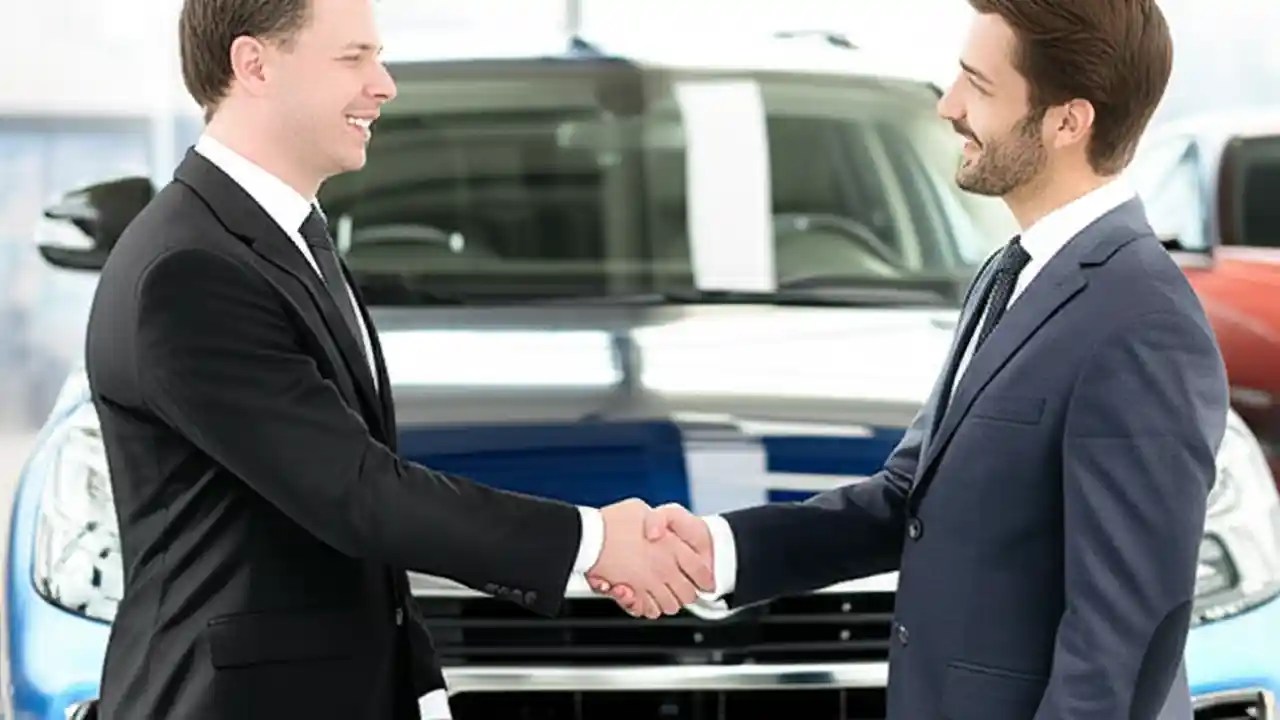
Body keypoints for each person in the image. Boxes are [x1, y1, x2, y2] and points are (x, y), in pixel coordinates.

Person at [596, 1, 1227, 718]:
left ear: (1067, 121)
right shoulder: (1012, 273)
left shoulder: (1142, 322)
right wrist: (722, 549)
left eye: (978, 87)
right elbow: (913, 500)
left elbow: (1126, 639)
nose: (949, 108)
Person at [83, 1, 711, 718]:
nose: (384, 85)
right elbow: (357, 493)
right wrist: (594, 540)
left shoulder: (282, 237)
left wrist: (417, 687)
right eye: (353, 58)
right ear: (253, 64)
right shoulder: (189, 269)